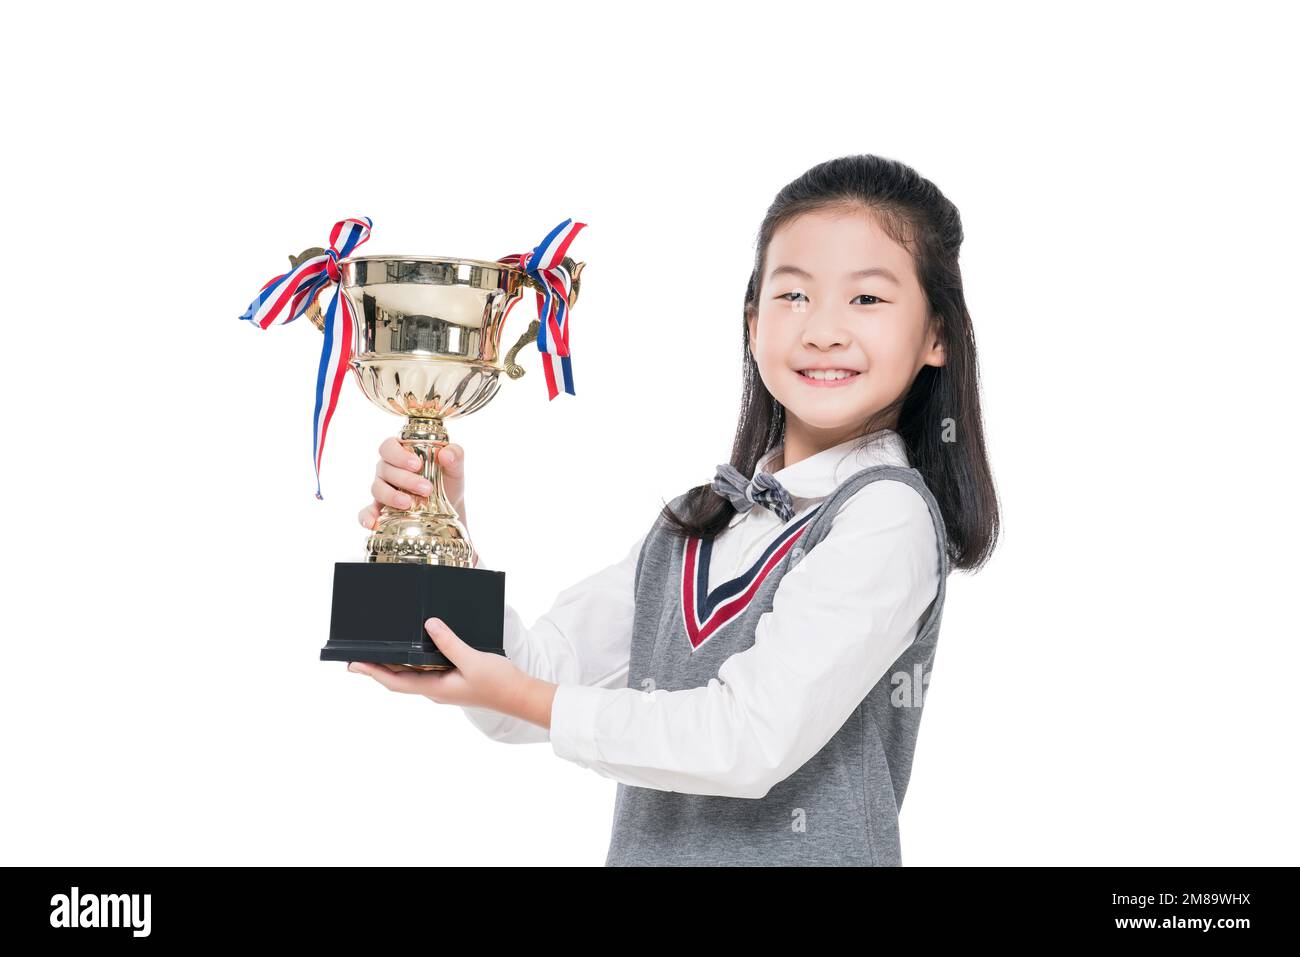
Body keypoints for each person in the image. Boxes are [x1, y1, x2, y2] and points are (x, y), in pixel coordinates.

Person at [346, 153, 1000, 865]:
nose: (823, 330)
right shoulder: (697, 519)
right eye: (793, 296)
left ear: (937, 333)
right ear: (752, 324)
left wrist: (529, 698)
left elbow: (746, 738)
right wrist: (443, 541)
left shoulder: (884, 517)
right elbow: (537, 671)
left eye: (867, 300)